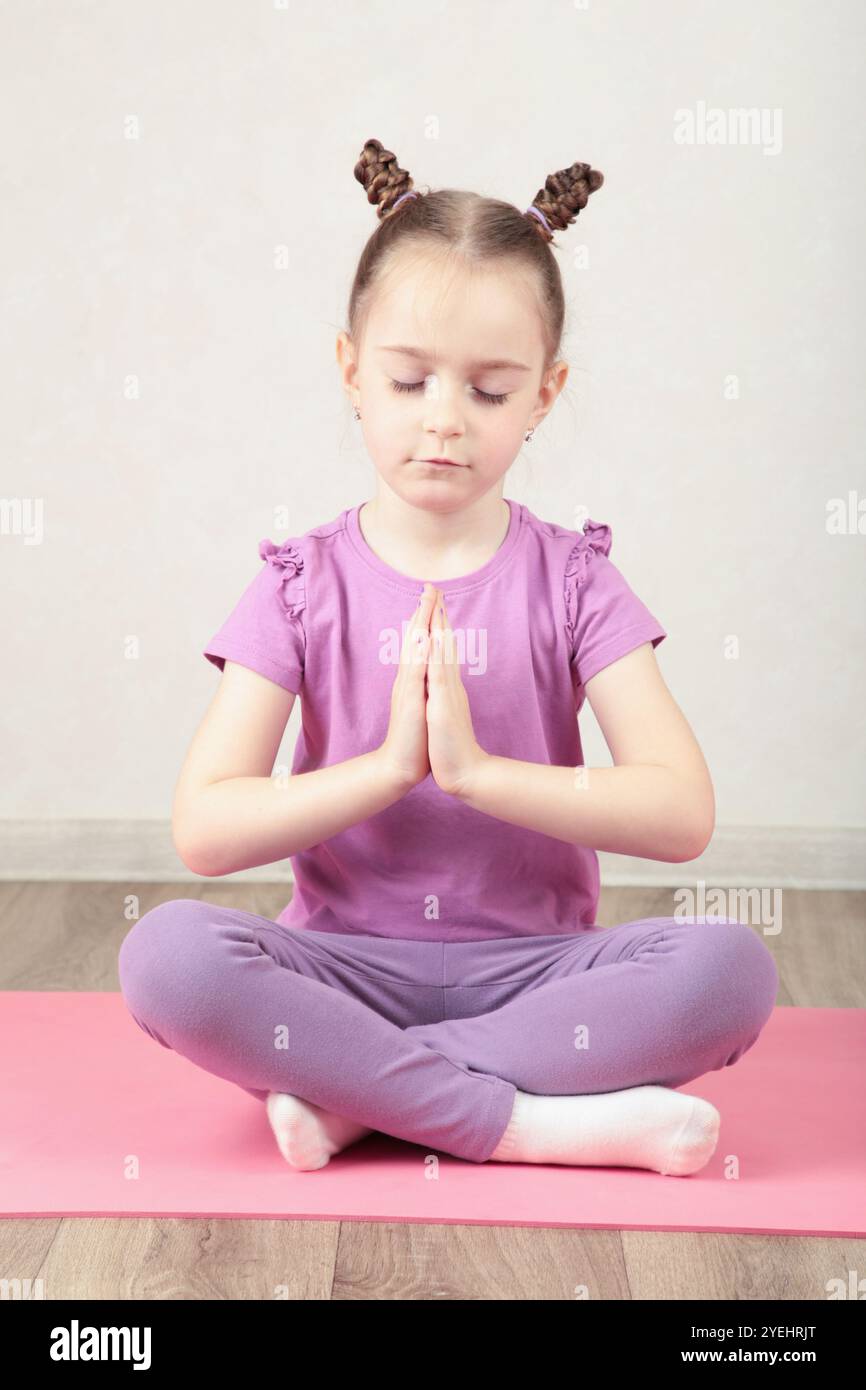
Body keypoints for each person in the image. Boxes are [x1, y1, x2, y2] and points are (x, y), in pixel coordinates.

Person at [118, 138, 778, 1176]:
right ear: (351, 371)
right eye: (409, 378)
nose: (442, 420)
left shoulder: (572, 580)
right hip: (337, 971)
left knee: (727, 970)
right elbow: (204, 828)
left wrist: (476, 775)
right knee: (167, 957)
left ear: (544, 396)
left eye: (488, 390)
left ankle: (354, 1097)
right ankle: (530, 1125)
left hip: (539, 977)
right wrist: (387, 769)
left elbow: (680, 813)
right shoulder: (300, 582)